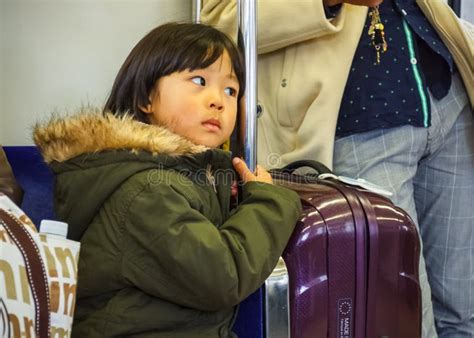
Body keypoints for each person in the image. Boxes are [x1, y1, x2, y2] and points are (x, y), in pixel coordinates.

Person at [202, 0, 473, 337]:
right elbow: (219, 21)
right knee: (404, 314)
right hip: (361, 118)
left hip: (447, 90)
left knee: (464, 306)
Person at [33, 22, 302, 337]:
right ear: (147, 97)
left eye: (230, 90)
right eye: (199, 80)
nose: (219, 100)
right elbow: (221, 277)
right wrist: (268, 202)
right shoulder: (147, 191)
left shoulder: (192, 175)